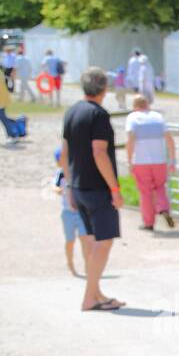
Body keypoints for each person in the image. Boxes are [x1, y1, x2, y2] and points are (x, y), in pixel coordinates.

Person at [61, 67, 125, 311]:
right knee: (104, 242)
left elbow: (65, 153)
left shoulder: (72, 111)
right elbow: (100, 153)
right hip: (98, 189)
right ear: (104, 89)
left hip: (78, 186)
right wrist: (115, 188)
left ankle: (97, 293)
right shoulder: (98, 115)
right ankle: (90, 297)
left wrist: (69, 185)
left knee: (91, 242)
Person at [125, 93, 175, 230]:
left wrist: (129, 161)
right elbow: (169, 139)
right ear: (148, 104)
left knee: (146, 192)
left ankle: (148, 222)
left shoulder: (132, 118)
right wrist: (172, 159)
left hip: (141, 161)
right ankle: (163, 207)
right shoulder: (158, 117)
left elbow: (130, 141)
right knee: (160, 187)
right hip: (159, 160)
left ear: (134, 106)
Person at [53, 146, 93, 275]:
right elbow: (55, 186)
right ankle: (70, 263)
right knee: (70, 240)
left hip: (81, 211)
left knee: (85, 239)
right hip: (67, 212)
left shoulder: (77, 171)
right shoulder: (60, 173)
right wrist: (59, 189)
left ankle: (88, 266)